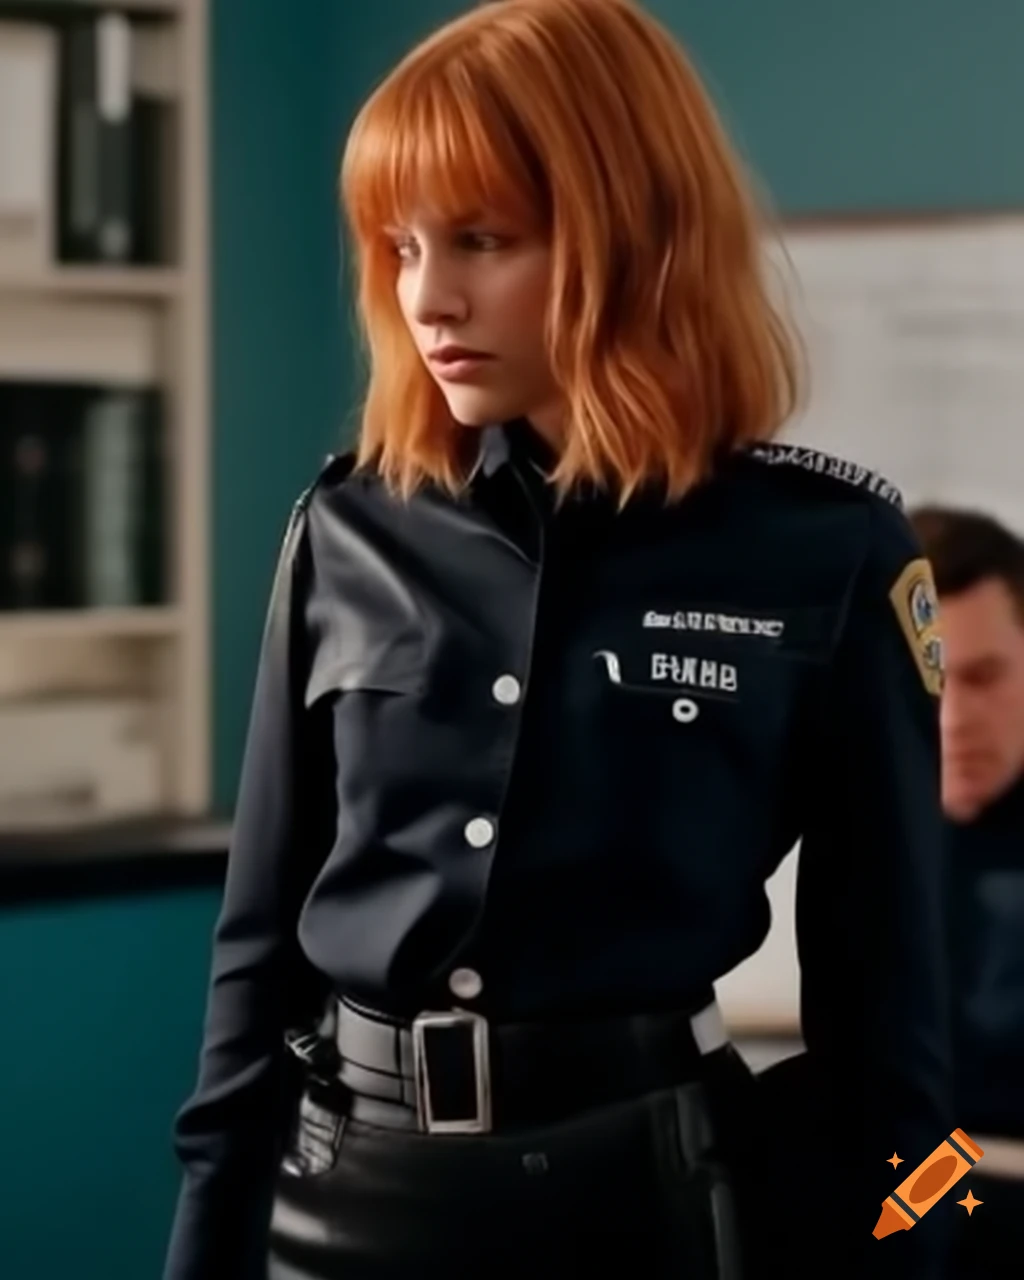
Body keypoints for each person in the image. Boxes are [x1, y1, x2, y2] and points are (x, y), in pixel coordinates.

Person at [163, 2, 951, 1277]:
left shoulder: (834, 547)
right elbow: (252, 956)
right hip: (342, 1197)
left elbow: (898, 1027)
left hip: (648, 1198)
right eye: (400, 245)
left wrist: (922, 1253)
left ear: (628, 237)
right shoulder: (347, 524)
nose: (427, 295)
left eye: (481, 240)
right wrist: (200, 1251)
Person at [910, 505, 1024, 1277]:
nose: (953, 720)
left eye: (984, 678)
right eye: (929, 683)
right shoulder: (834, 829)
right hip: (930, 1179)